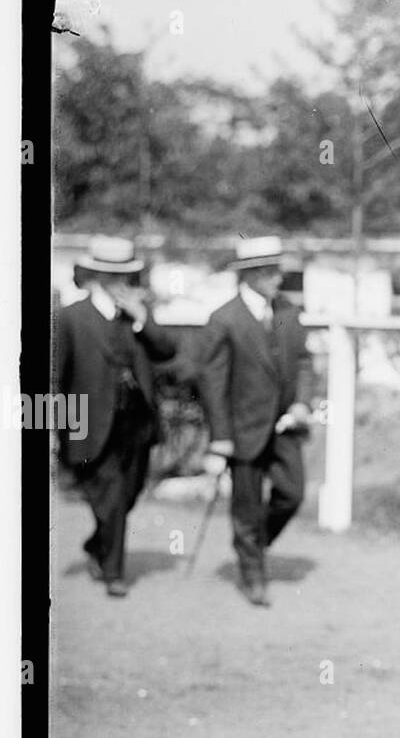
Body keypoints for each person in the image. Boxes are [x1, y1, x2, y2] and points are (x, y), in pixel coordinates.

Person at [55, 235, 178, 597]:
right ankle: (114, 573)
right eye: (111, 275)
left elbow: (167, 351)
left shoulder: (136, 315)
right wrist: (49, 428)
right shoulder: (70, 318)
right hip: (91, 423)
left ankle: (98, 545)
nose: (120, 282)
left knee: (130, 493)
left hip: (136, 422)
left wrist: (143, 320)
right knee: (110, 495)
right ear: (96, 277)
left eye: (124, 275)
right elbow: (52, 376)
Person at [193, 237, 313, 607]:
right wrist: (220, 436)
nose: (278, 278)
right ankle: (253, 576)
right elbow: (212, 385)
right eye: (270, 272)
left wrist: (302, 403)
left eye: (278, 270)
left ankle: (252, 546)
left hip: (284, 426)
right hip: (242, 429)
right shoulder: (224, 319)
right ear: (250, 275)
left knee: (292, 494)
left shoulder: (288, 311)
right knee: (246, 505)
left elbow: (304, 362)